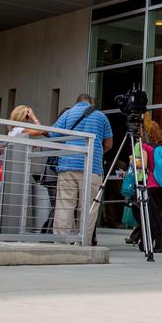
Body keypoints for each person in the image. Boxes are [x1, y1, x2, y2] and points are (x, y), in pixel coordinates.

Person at [50, 94, 113, 245]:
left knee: (65, 205)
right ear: (91, 103)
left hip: (67, 165)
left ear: (76, 102)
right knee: (88, 208)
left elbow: (53, 134)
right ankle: (83, 243)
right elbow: (109, 143)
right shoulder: (101, 117)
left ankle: (60, 243)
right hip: (92, 166)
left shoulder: (67, 113)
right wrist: (96, 152)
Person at [131, 119, 162, 254]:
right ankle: (150, 243)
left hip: (153, 183)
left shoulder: (146, 146)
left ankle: (161, 245)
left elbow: (144, 165)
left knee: (153, 216)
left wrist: (134, 162)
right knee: (156, 215)